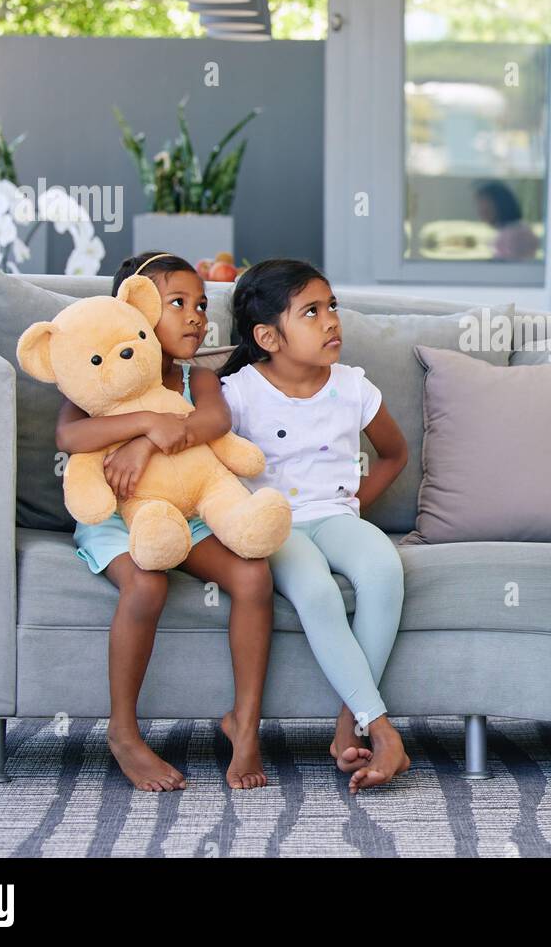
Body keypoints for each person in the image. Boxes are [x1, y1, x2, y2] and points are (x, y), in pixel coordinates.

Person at [57, 251, 275, 793]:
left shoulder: (193, 377)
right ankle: (124, 732)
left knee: (254, 575)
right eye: (177, 303)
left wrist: (142, 444)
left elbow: (214, 420)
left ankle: (244, 723)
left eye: (201, 304)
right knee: (147, 583)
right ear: (131, 310)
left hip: (188, 514)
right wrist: (147, 424)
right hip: (115, 515)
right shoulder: (96, 369)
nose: (196, 316)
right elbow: (71, 438)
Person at [217, 258, 412, 793]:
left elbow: (394, 454)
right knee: (317, 593)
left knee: (383, 570)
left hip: (336, 517)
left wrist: (353, 507)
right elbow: (211, 468)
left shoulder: (352, 386)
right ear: (268, 336)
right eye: (311, 311)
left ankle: (349, 724)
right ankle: (383, 729)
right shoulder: (239, 393)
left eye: (332, 307)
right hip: (276, 528)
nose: (330, 320)